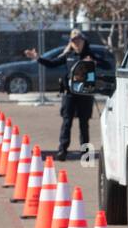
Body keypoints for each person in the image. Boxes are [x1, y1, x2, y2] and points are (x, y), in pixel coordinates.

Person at [25, 29, 95, 160]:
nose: (76, 43)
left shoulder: (89, 55)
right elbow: (52, 64)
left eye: (79, 40)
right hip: (69, 93)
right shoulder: (69, 55)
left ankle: (85, 153)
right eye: (74, 41)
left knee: (84, 124)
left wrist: (93, 63)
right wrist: (37, 57)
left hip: (85, 93)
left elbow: (106, 64)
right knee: (66, 122)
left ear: (83, 41)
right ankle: (62, 150)